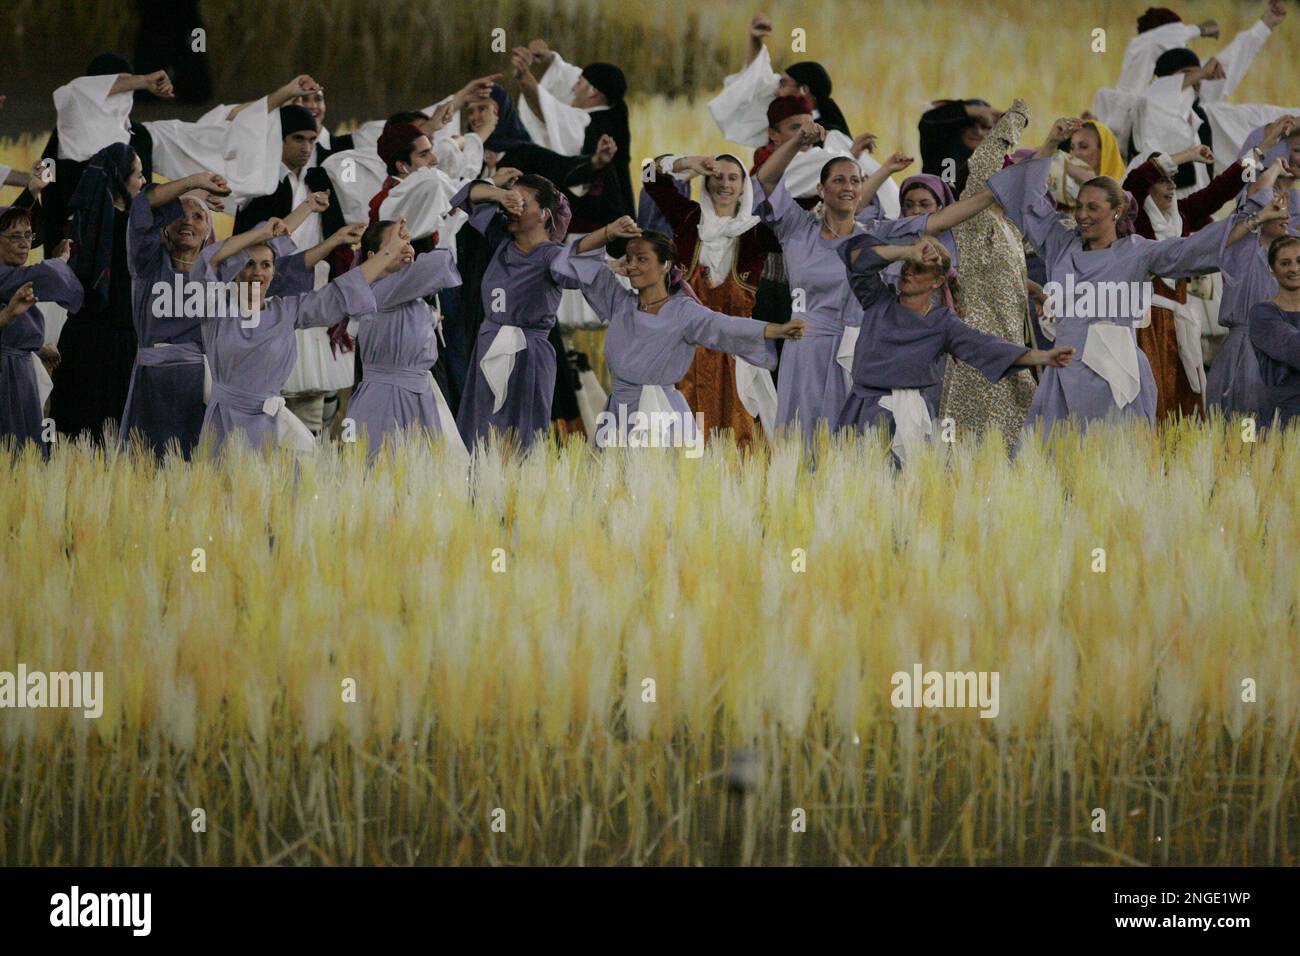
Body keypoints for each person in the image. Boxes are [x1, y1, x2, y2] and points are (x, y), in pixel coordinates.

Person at [987, 117, 1238, 438]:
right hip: (1063, 377)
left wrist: (1249, 222)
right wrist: (1050, 143)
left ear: (1117, 211)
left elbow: (1189, 251)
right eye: (1079, 206)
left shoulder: (1137, 252)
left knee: (1114, 468)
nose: (1081, 214)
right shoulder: (1059, 243)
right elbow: (1027, 200)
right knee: (1051, 469)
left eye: (1092, 207)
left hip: (1116, 377)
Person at [754, 117, 998, 444]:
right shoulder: (797, 229)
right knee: (803, 440)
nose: (848, 187)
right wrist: (798, 140)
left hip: (859, 350)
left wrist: (994, 193)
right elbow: (766, 180)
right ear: (820, 189)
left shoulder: (876, 233)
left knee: (854, 444)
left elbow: (939, 220)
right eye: (839, 180)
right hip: (806, 351)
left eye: (855, 181)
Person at [554, 221, 806, 449]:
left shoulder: (684, 312)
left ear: (665, 265)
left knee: (667, 490)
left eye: (641, 259)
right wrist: (608, 232)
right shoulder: (618, 302)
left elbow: (725, 326)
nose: (631, 266)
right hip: (619, 413)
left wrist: (777, 329)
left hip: (664, 414)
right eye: (629, 259)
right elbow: (578, 259)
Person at [838, 235, 1073, 466]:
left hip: (906, 416)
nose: (908, 271)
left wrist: (1043, 356)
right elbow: (856, 258)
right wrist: (906, 251)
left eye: (919, 268)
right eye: (907, 266)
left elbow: (987, 348)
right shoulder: (878, 299)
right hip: (861, 409)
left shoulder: (943, 323)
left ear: (937, 281)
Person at [191, 216, 406, 454]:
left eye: (265, 265)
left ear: (274, 272)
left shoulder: (287, 310)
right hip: (223, 423)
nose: (257, 273)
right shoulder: (215, 308)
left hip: (268, 424)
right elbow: (207, 261)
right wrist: (261, 233)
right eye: (248, 264)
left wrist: (389, 252)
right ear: (235, 271)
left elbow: (341, 292)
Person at [643, 154, 782, 447]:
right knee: (682, 436)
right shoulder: (689, 218)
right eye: (718, 176)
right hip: (684, 349)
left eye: (733, 178)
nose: (725, 184)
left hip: (735, 353)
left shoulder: (757, 232)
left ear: (745, 187)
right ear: (706, 181)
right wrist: (684, 164)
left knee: (739, 436)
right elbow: (647, 174)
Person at [449, 173, 582, 450]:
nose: (512, 208)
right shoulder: (500, 237)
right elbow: (466, 194)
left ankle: (518, 492)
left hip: (528, 351)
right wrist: (500, 195)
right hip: (489, 343)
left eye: (521, 202)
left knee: (522, 435)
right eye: (511, 201)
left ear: (544, 214)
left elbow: (578, 274)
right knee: (480, 429)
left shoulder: (552, 255)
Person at [1122, 143, 1253, 419]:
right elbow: (1136, 179)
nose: (1170, 186)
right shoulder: (1135, 219)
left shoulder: (1182, 215)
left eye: (1173, 180)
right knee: (1151, 404)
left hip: (1180, 325)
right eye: (1162, 180)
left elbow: (1223, 188)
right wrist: (1190, 155)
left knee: (1184, 408)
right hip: (1145, 327)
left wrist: (1260, 153)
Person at [942, 100, 1041, 452]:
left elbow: (999, 278)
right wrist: (1016, 117)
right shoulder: (974, 218)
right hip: (979, 354)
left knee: (1013, 454)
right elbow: (982, 164)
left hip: (1012, 351)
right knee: (971, 453)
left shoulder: (1012, 230)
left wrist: (1033, 290)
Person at [118, 171, 229, 458]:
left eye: (198, 217)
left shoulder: (219, 275)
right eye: (179, 214)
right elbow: (143, 205)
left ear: (208, 232)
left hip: (200, 387)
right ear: (163, 227)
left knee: (196, 470)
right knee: (146, 470)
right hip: (151, 385)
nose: (187, 222)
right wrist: (194, 182)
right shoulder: (147, 265)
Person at [1132, 0, 1292, 197]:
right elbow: (1160, 91)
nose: (1196, 83)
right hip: (1157, 208)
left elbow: (1230, 63)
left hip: (1198, 210)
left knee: (1263, 117)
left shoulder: (1204, 109)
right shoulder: (1143, 102)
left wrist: (1265, 25)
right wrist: (1196, 31)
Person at [341, 219, 466, 462]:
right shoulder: (379, 288)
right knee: (386, 474)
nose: (407, 247)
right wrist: (446, 225)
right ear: (373, 256)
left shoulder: (405, 292)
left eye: (408, 241)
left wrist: (429, 318)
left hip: (419, 393)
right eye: (396, 243)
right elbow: (438, 263)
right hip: (386, 399)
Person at [47, 143, 148, 444]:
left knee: (73, 437)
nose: (143, 182)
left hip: (82, 342)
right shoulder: (131, 229)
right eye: (139, 175)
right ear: (120, 179)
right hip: (112, 348)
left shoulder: (81, 224)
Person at [1210, 158, 1297, 416]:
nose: (1284, 216)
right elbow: (1253, 202)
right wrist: (1275, 169)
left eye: (1285, 209)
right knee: (1246, 431)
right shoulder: (1243, 253)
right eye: (1275, 209)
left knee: (1283, 439)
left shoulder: (1292, 254)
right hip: (1247, 354)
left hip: (1289, 352)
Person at [0, 206, 83, 455]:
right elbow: (46, 276)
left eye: (28, 235)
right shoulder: (9, 278)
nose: (24, 243)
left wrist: (37, 349)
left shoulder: (15, 276)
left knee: (25, 456)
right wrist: (60, 262)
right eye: (15, 236)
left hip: (22, 374)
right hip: (4, 375)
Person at [1248, 234, 1300, 428]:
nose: (1294, 268)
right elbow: (1293, 347)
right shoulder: (1262, 313)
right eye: (1285, 263)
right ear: (1272, 270)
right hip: (1280, 420)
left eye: (1299, 261)